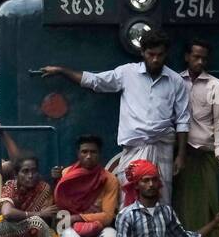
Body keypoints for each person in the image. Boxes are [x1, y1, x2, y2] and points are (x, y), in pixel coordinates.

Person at [40, 28, 189, 205]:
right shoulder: (127, 73)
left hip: (162, 147)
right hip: (134, 147)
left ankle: (159, 224)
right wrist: (62, 70)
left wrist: (181, 156)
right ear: (142, 52)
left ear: (166, 54)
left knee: (162, 197)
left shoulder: (176, 81)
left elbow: (182, 120)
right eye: (151, 54)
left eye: (160, 55)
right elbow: (95, 81)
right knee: (129, 197)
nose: (155, 59)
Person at [175, 39, 219, 237]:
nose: (200, 61)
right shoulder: (176, 81)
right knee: (185, 206)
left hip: (207, 153)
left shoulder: (215, 85)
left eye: (204, 58)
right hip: (183, 152)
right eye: (196, 57)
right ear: (187, 57)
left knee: (212, 203)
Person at [54, 134, 120, 237]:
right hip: (72, 226)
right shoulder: (66, 174)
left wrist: (76, 217)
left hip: (100, 226)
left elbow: (107, 217)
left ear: (99, 154)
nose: (88, 156)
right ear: (78, 154)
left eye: (93, 152)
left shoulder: (109, 179)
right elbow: (60, 205)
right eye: (84, 152)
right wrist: (55, 181)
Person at [0, 154, 60, 237]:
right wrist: (39, 214)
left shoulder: (43, 188)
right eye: (25, 171)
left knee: (38, 225)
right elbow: (7, 213)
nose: (30, 176)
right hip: (12, 232)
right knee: (0, 224)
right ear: (16, 174)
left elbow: (46, 218)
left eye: (34, 171)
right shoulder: (11, 186)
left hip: (34, 236)